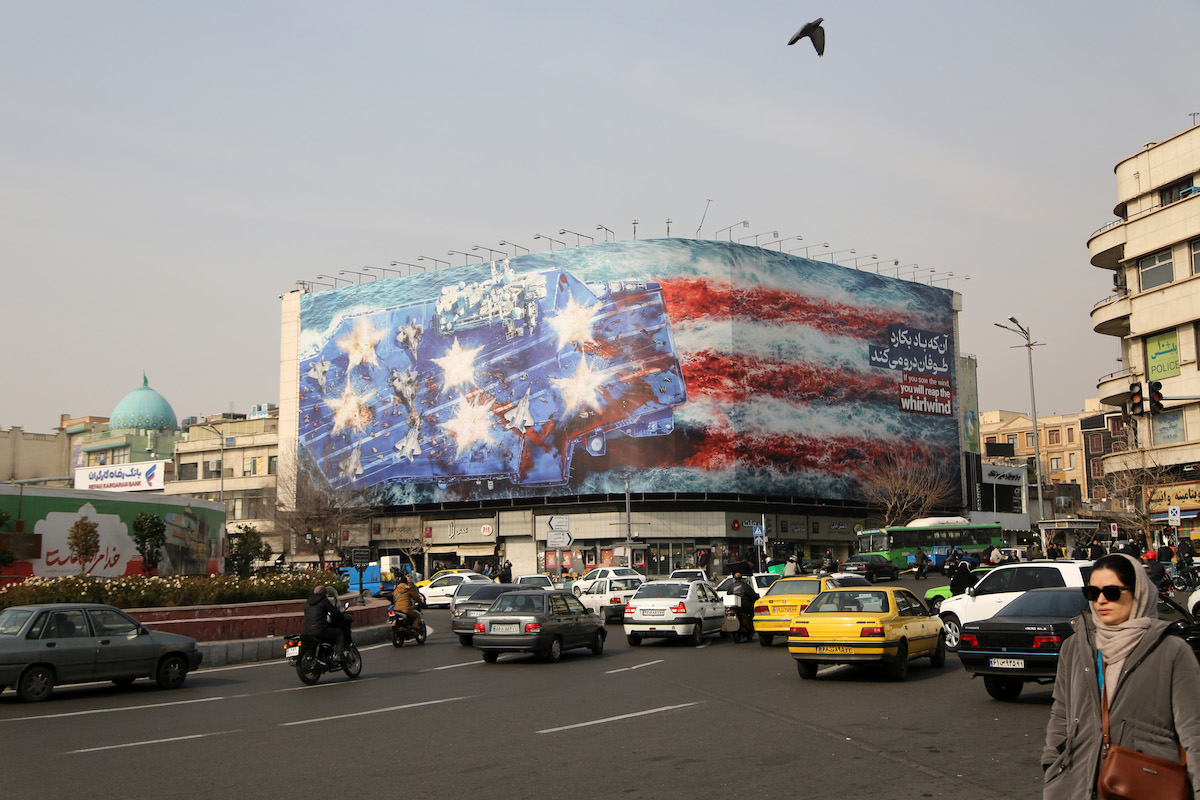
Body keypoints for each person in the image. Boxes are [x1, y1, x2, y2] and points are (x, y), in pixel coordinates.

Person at [1041, 553, 1200, 798]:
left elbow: (1194, 730)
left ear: (1138, 593)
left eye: (1112, 592)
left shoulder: (1171, 651)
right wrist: (1052, 763)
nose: (1101, 601)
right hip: (1078, 784)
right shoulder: (1075, 647)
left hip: (1146, 785)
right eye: (1093, 593)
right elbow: (1061, 711)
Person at [303, 585, 346, 661]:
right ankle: (340, 654)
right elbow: (334, 612)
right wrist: (341, 615)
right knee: (339, 633)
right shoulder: (323, 601)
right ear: (324, 593)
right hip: (320, 630)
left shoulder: (307, 603)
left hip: (307, 631)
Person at [727, 572, 759, 642]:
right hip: (744, 605)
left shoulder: (730, 587)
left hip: (735, 606)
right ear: (741, 578)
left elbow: (728, 594)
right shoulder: (746, 586)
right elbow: (753, 595)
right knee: (751, 612)